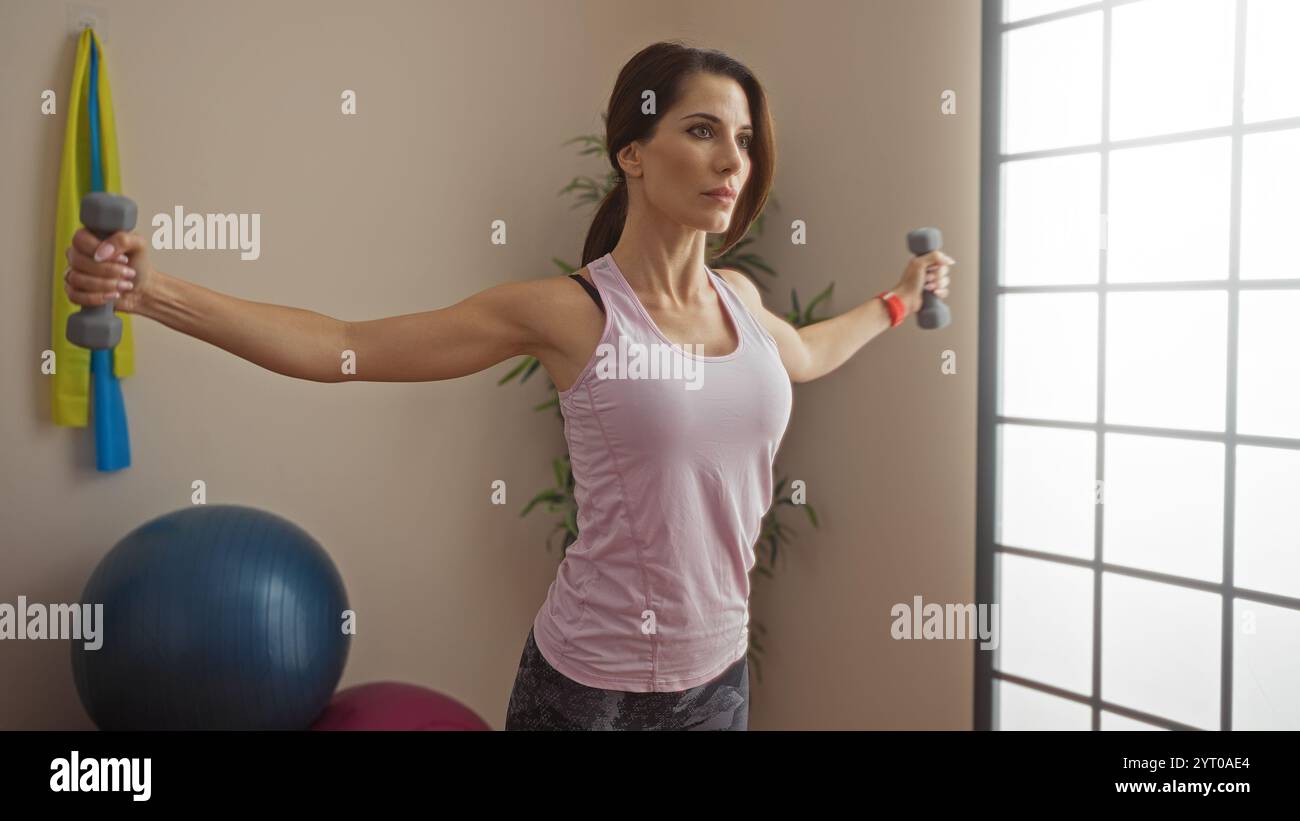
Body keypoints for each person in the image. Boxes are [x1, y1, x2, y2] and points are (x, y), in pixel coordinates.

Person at [62, 41, 952, 731]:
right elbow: (344, 345)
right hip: (589, 688)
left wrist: (898, 300)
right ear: (632, 154)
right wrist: (153, 292)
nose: (733, 159)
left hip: (719, 678)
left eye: (746, 138)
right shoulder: (572, 313)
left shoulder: (744, 303)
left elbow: (808, 352)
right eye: (702, 129)